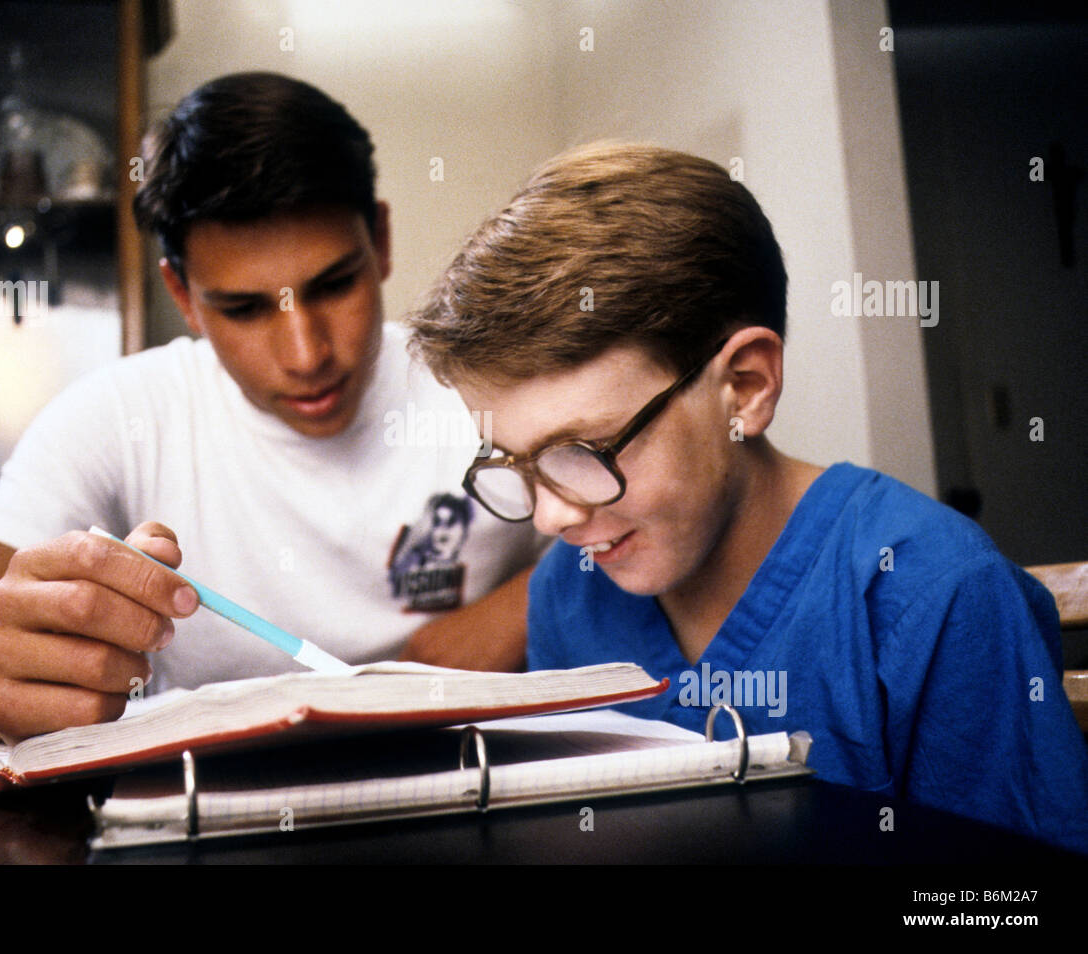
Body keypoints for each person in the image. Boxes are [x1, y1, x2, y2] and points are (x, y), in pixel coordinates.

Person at [407, 141, 1088, 852]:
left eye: (583, 453)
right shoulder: (567, 593)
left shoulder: (934, 594)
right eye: (512, 461)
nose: (550, 516)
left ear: (746, 388)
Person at [0, 72, 542, 743]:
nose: (305, 353)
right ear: (182, 295)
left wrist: (531, 600)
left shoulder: (484, 385)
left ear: (380, 242)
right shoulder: (120, 416)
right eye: (243, 308)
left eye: (333, 286)